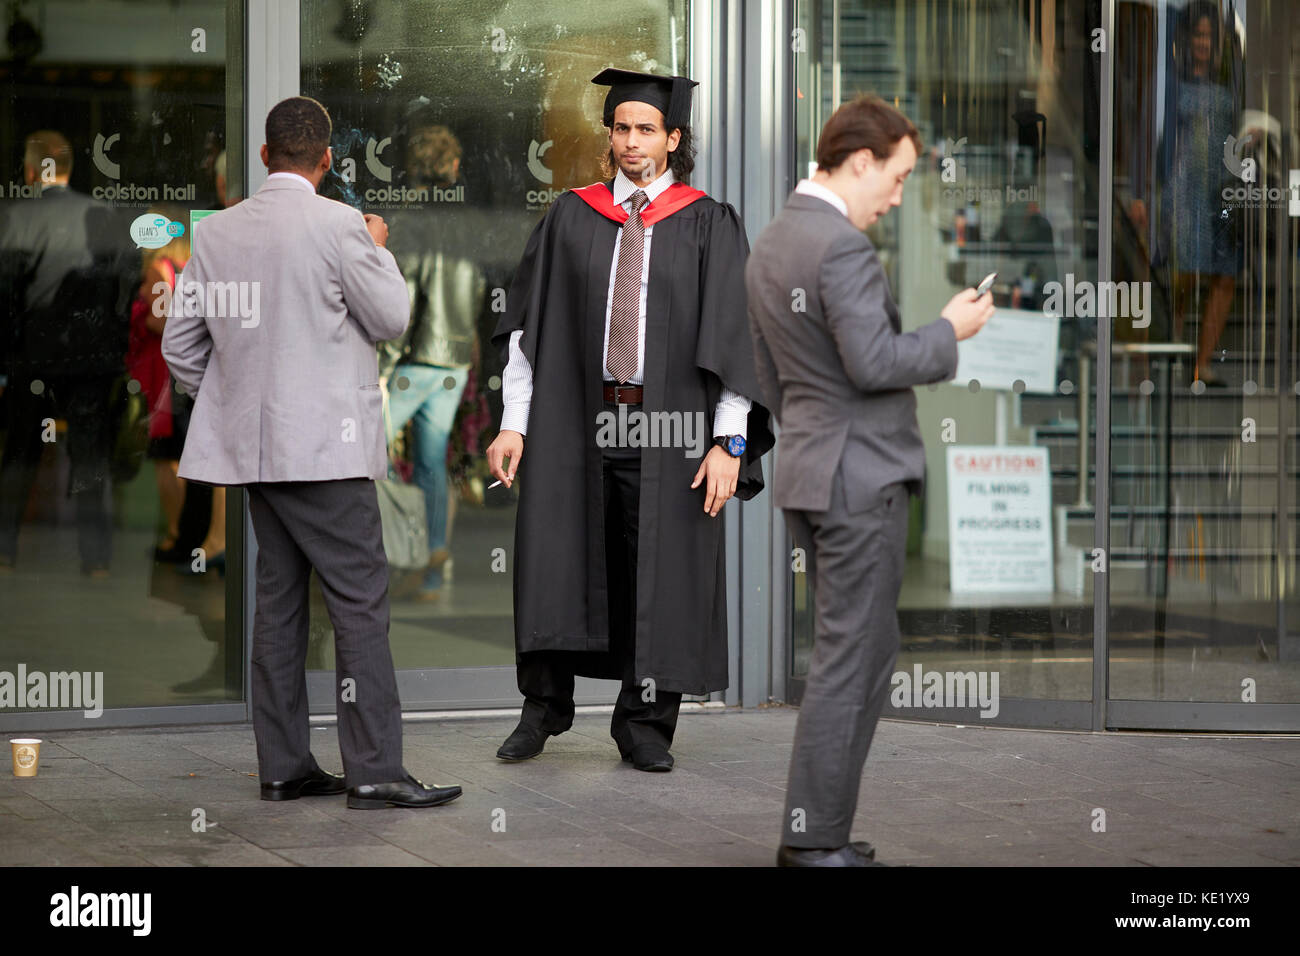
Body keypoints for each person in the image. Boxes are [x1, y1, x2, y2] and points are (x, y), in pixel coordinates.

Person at [161, 96, 461, 809]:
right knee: (360, 606)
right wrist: (377, 247)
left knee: (279, 606)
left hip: (260, 457)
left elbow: (180, 348)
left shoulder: (217, 232)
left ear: (265, 156)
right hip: (329, 452)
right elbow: (392, 316)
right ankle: (376, 769)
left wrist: (243, 405)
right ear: (326, 160)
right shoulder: (342, 226)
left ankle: (285, 766)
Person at [488, 68, 773, 772]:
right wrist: (513, 423)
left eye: (647, 129)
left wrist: (729, 443)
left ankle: (643, 724)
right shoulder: (572, 216)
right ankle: (543, 709)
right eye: (621, 128)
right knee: (557, 554)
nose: (632, 142)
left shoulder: (708, 220)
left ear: (674, 138)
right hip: (577, 420)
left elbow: (736, 342)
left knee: (662, 573)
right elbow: (529, 330)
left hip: (668, 427)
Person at [745, 95, 992, 866]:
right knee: (851, 655)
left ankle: (819, 830)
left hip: (813, 471)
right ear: (860, 161)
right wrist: (950, 329)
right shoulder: (841, 247)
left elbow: (774, 379)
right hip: (859, 479)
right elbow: (876, 363)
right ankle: (812, 840)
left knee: (859, 648)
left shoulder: (773, 241)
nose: (898, 195)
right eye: (899, 176)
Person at [0, 130, 138, 577]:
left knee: (18, 452)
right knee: (90, 456)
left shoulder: (16, 217)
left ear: (28, 170)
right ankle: (95, 559)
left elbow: (6, 294)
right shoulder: (102, 214)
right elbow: (125, 285)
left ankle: (4, 551)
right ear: (70, 168)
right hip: (90, 358)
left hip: (33, 356)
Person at [380, 122, 485, 602]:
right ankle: (432, 558)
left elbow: (401, 298)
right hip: (454, 359)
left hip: (417, 357)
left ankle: (393, 552)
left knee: (367, 449)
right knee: (430, 461)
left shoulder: (410, 218)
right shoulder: (469, 221)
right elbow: (479, 287)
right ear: (455, 167)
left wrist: (383, 368)